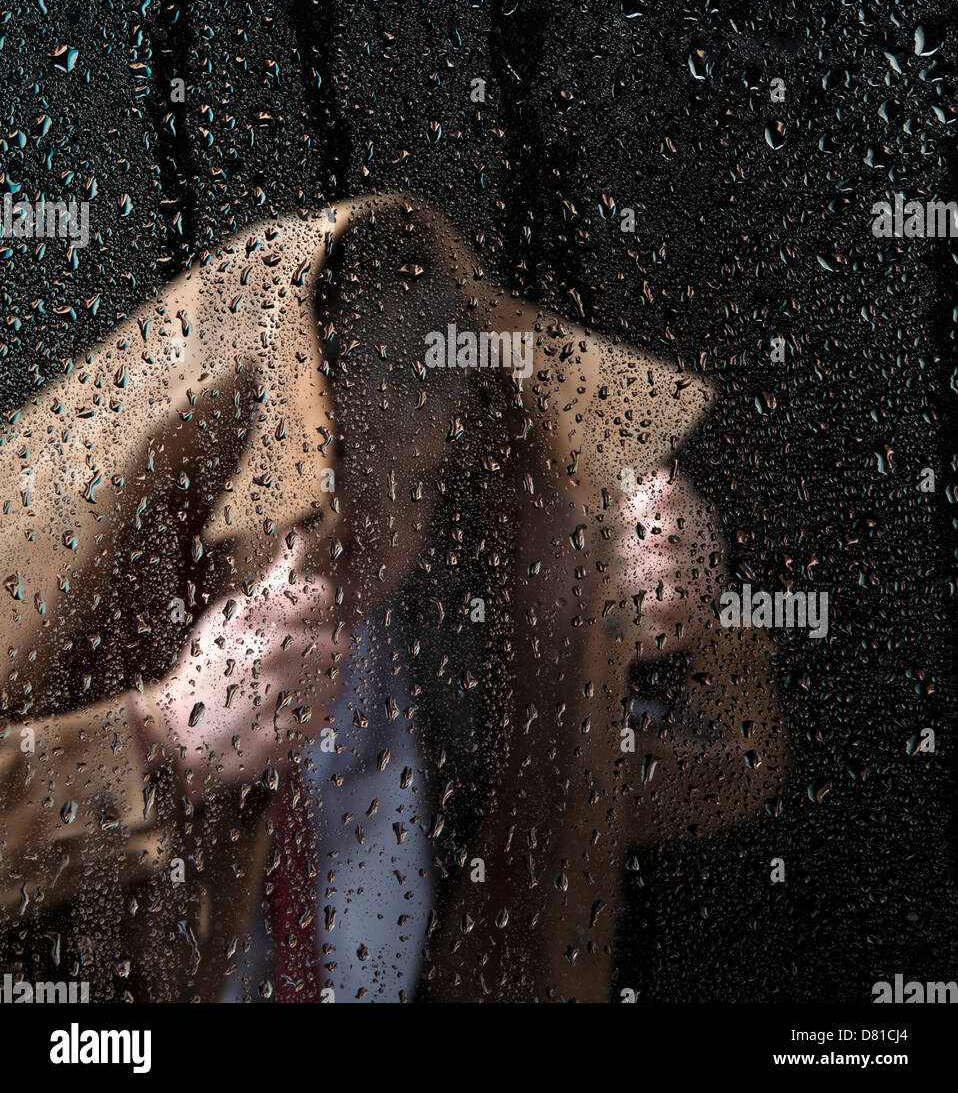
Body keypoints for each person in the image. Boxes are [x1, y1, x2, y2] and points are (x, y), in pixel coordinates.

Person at [0, 193, 788, 1001]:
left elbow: (722, 776)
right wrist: (160, 739)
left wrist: (694, 616)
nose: (367, 543)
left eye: (409, 483)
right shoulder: (92, 569)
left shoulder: (452, 635)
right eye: (327, 490)